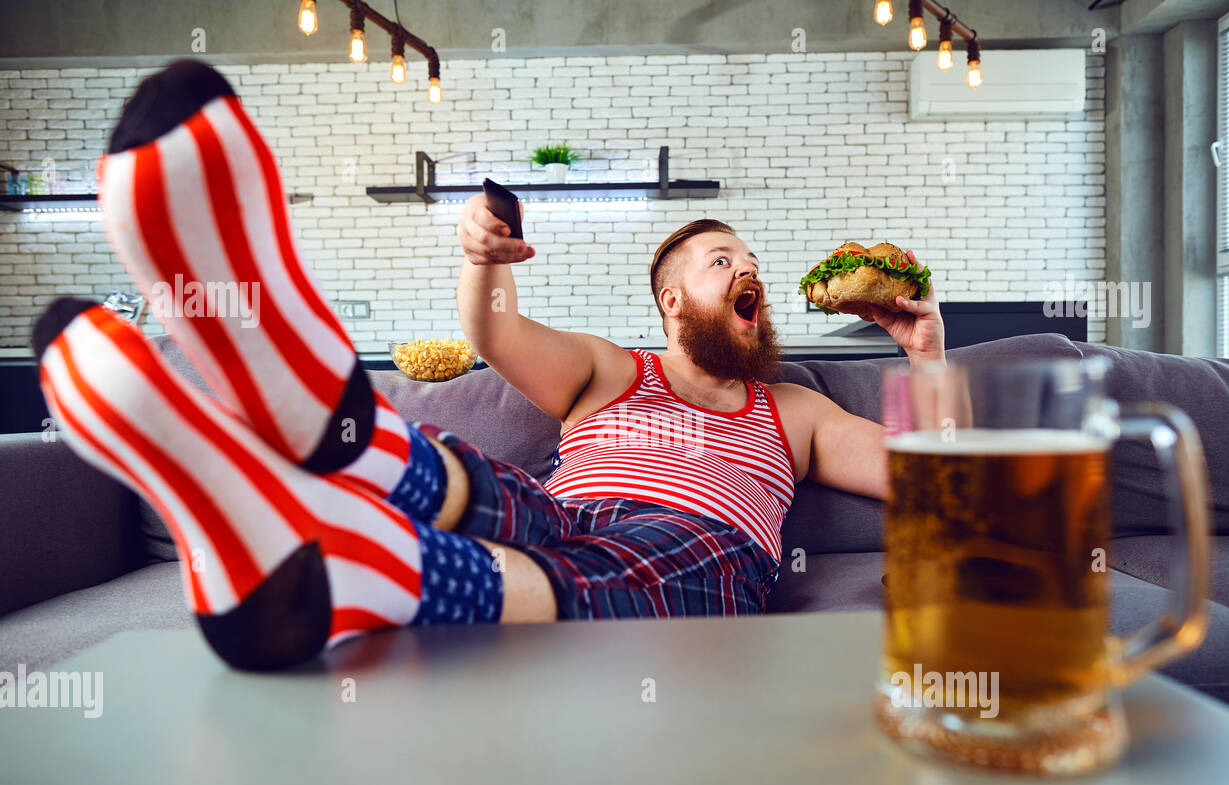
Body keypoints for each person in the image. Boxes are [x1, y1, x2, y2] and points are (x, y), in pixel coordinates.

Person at [32, 59, 946, 672]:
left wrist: (926, 352)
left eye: (751, 261)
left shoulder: (793, 407)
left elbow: (936, 478)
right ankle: (323, 417)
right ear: (672, 303)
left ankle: (320, 555)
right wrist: (481, 257)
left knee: (659, 562)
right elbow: (496, 333)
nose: (748, 269)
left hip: (696, 550)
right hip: (560, 515)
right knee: (487, 486)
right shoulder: (610, 369)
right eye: (722, 262)